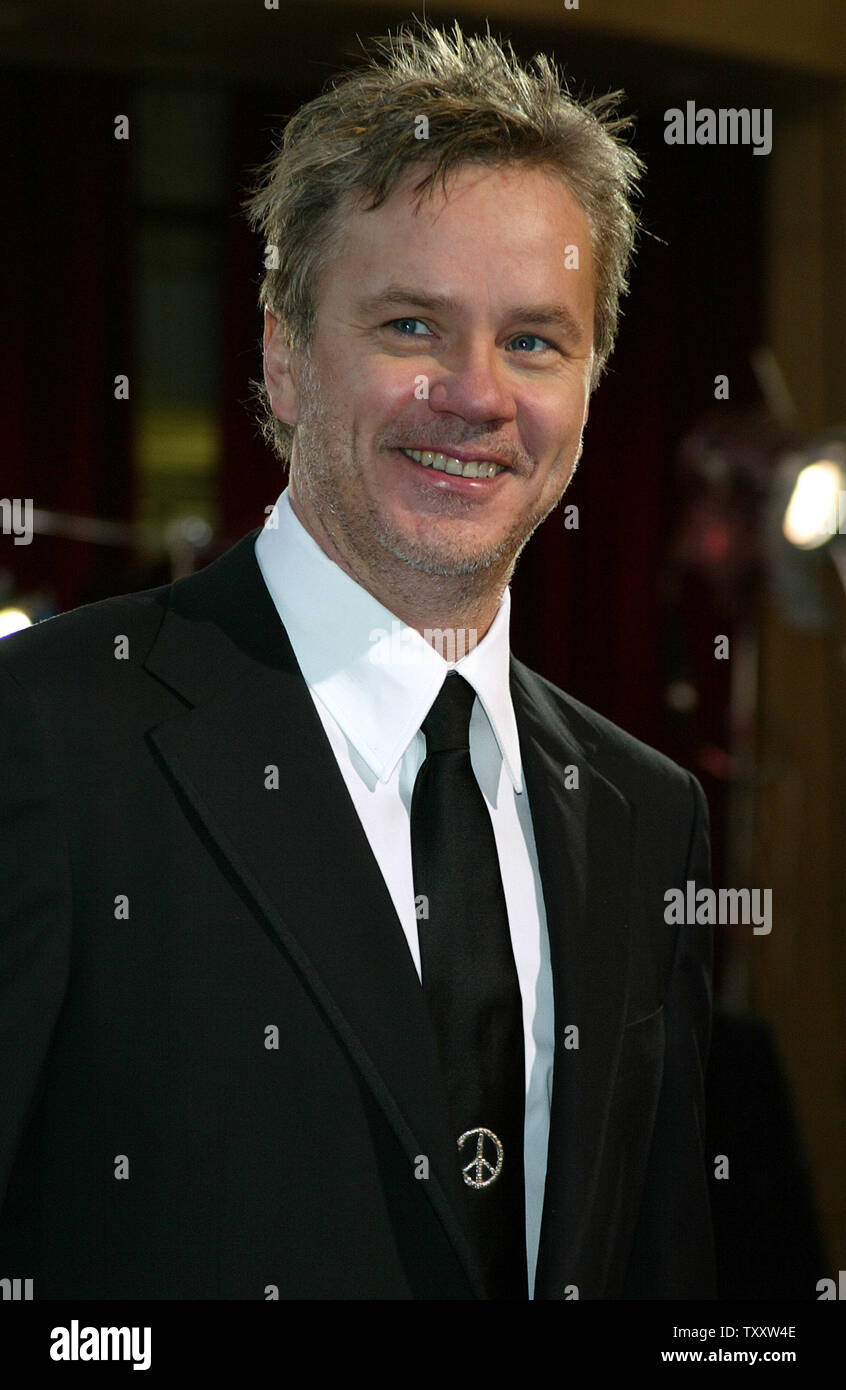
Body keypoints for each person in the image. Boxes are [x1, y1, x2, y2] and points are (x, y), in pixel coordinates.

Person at [0, 20, 715, 1300]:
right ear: (284, 356)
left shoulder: (645, 815)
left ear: (593, 385)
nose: (477, 393)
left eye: (535, 341)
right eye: (410, 325)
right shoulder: (43, 738)